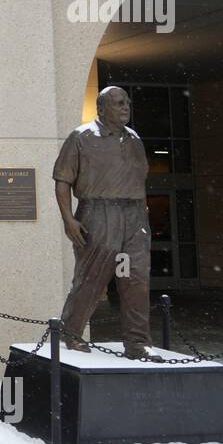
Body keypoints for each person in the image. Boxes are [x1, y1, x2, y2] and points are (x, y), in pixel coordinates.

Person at [52, 86, 152, 359]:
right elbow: (62, 183)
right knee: (92, 277)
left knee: (137, 278)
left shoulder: (134, 139)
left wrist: (141, 218)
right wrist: (68, 219)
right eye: (119, 103)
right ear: (101, 108)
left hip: (133, 215)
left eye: (127, 103)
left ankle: (137, 343)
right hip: (98, 212)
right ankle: (71, 332)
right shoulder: (81, 137)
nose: (125, 107)